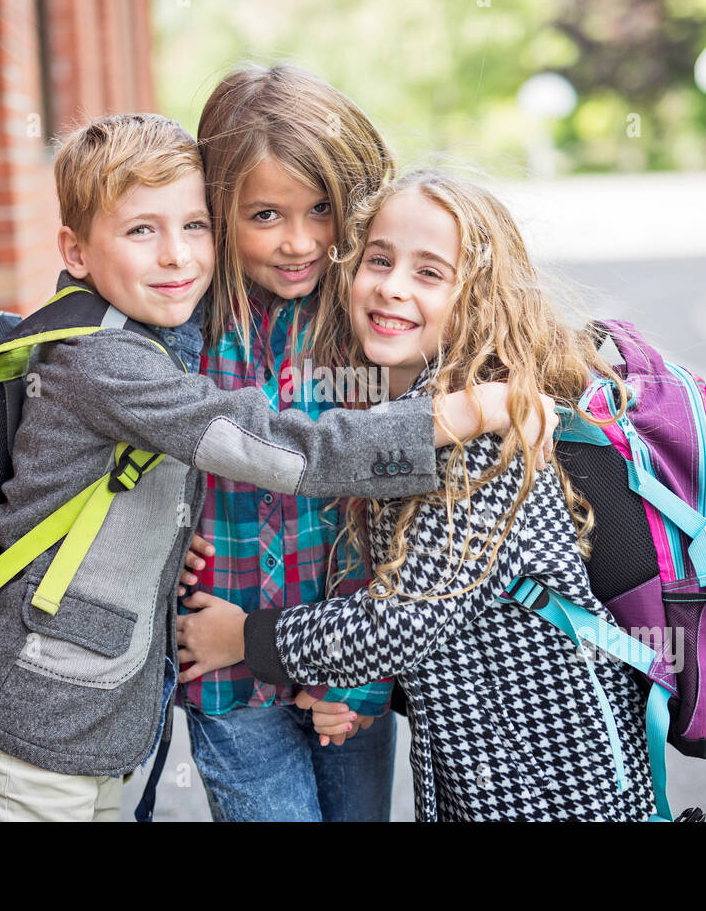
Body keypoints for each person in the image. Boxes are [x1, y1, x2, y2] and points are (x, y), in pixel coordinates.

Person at [0, 117, 557, 821]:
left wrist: (172, 547)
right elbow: (270, 446)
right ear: (75, 251)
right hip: (47, 721)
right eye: (142, 231)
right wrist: (463, 415)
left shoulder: (333, 325)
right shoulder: (118, 354)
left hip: (112, 726)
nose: (175, 257)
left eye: (191, 228)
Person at [178, 170, 655, 821]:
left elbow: (401, 623)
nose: (393, 285)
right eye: (380, 259)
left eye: (429, 273)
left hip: (550, 784)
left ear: (480, 300)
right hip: (494, 768)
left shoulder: (478, 442)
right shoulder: (424, 410)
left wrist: (243, 637)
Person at [176, 64, 400, 822]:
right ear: (216, 209)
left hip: (345, 666)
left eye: (320, 210)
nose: (299, 241)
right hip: (223, 669)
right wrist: (167, 537)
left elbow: (399, 525)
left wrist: (363, 685)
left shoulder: (368, 331)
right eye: (265, 215)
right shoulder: (186, 332)